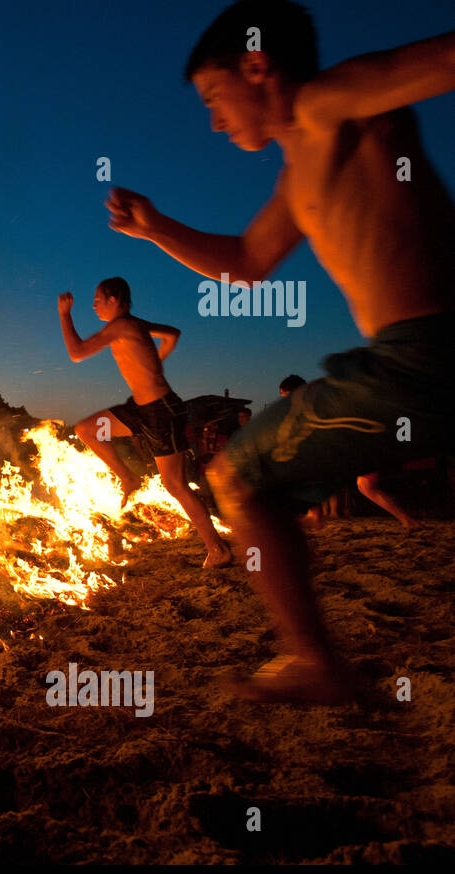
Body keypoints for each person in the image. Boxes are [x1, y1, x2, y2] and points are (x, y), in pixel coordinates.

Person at [106, 0, 455, 702]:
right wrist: (156, 230)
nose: (213, 119)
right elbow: (248, 260)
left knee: (237, 476)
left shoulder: (331, 103)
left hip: (422, 360)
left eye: (214, 96)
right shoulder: (300, 175)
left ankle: (314, 660)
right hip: (409, 364)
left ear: (257, 65)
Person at [60, 280, 232, 568]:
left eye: (97, 299)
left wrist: (65, 314)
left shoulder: (120, 327)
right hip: (141, 409)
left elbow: (76, 353)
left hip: (161, 412)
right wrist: (156, 363)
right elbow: (172, 334)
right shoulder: (133, 324)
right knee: (86, 429)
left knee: (175, 485)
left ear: (114, 299)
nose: (93, 305)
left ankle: (218, 549)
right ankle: (128, 476)